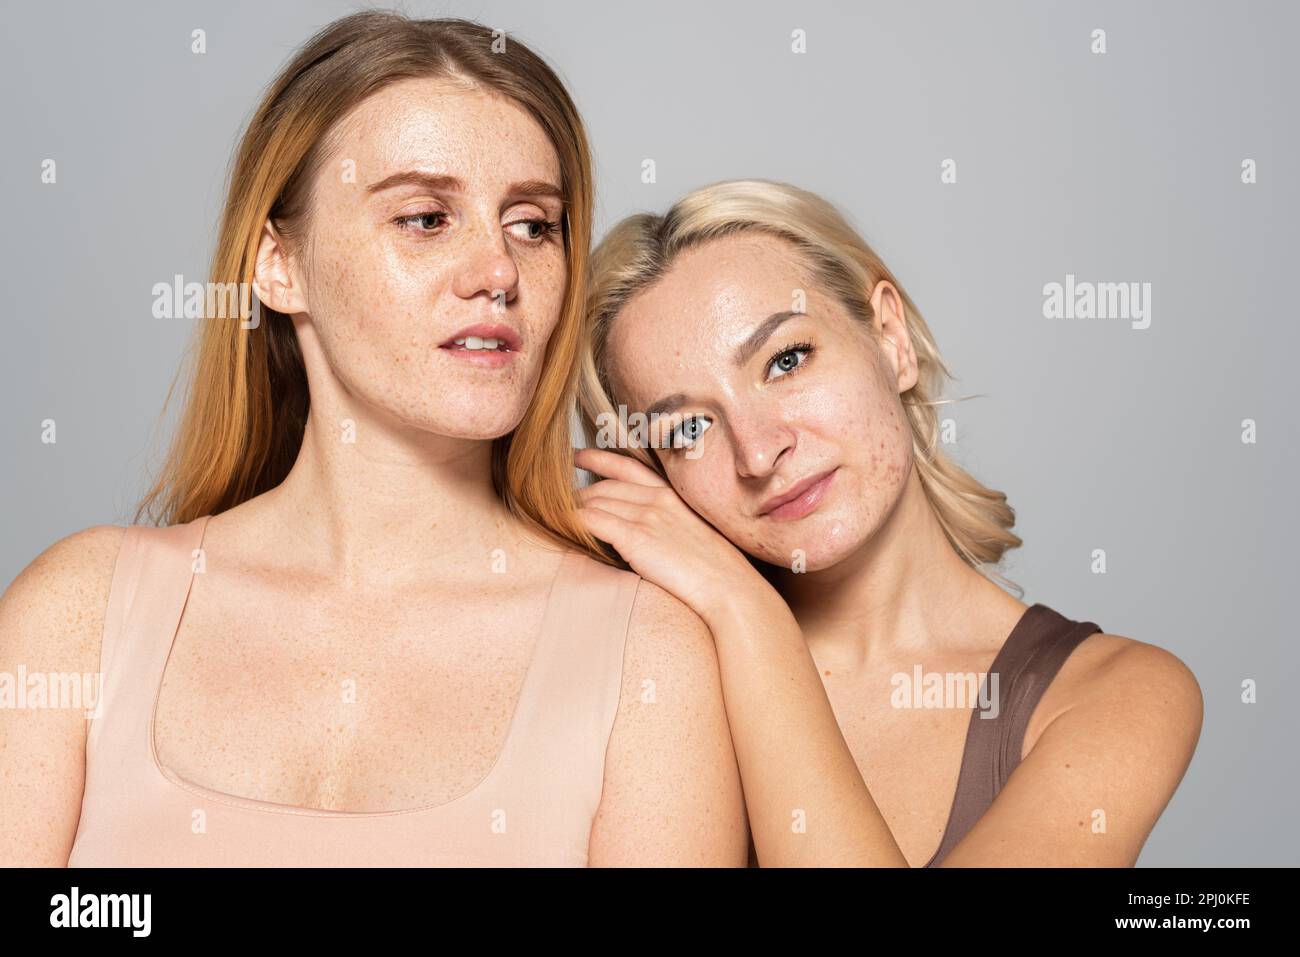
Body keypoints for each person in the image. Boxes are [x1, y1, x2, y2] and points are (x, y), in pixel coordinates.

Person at [0, 12, 747, 867]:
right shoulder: (77, 617)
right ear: (278, 265)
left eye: (533, 224)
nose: (499, 272)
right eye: (426, 218)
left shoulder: (649, 657)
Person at [576, 178, 1202, 866]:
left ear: (891, 338)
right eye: (688, 427)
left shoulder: (1116, 691)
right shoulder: (653, 681)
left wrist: (747, 610)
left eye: (786, 360)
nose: (759, 452)